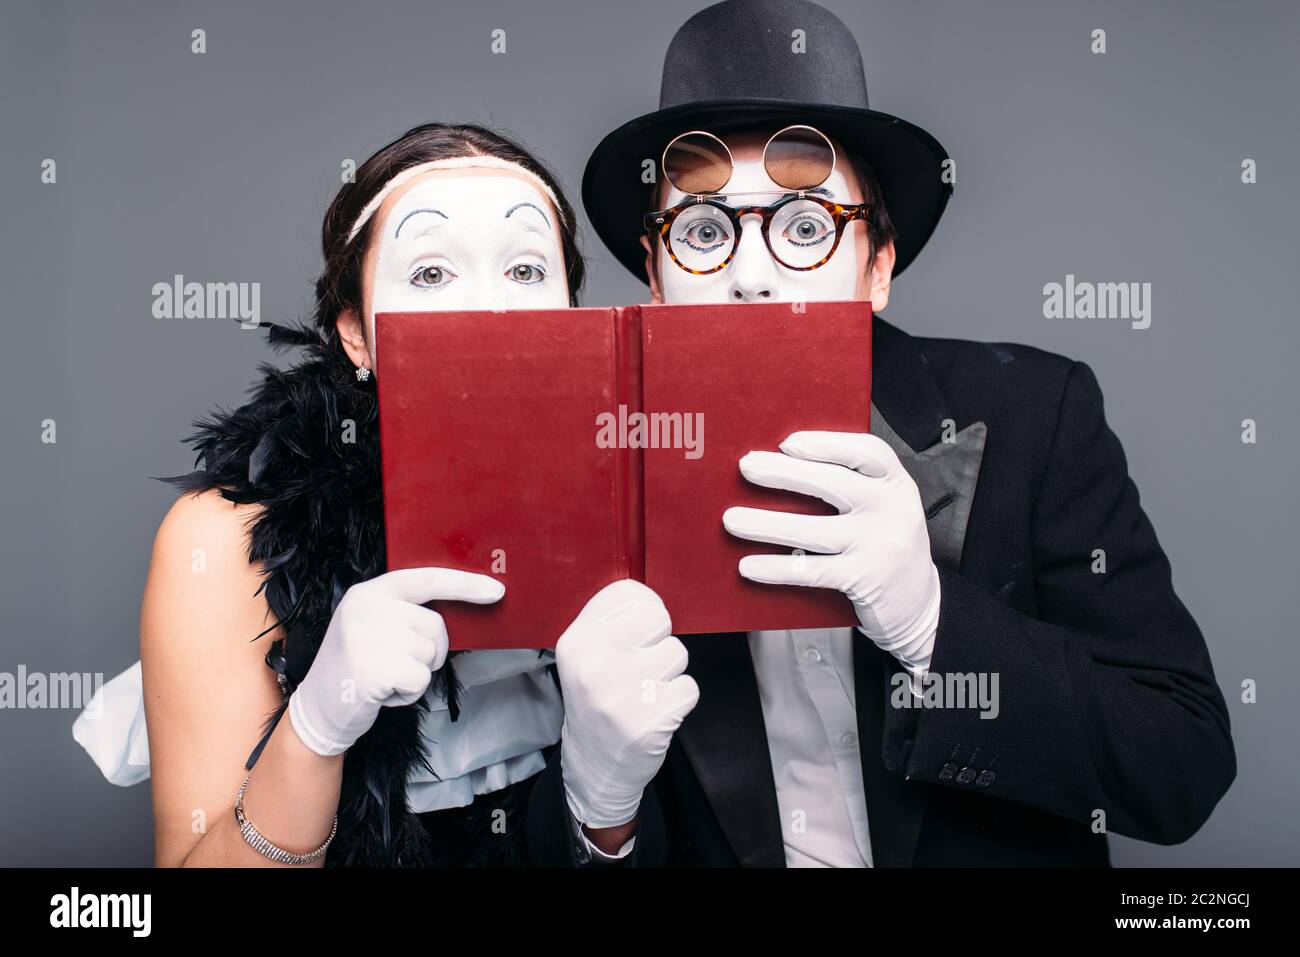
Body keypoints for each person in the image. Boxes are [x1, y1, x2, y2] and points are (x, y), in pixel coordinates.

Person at [529, 0, 1237, 866]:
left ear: (878, 268)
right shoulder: (582, 477)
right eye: (706, 231)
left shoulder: (1039, 413)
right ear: (654, 278)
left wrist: (932, 622)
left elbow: (1181, 765)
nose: (751, 276)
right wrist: (600, 813)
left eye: (804, 224)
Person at [70, 122, 671, 867]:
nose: (488, 308)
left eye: (524, 270)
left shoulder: (638, 505)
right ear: (354, 332)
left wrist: (604, 808)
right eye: (429, 273)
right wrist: (315, 729)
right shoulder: (220, 541)